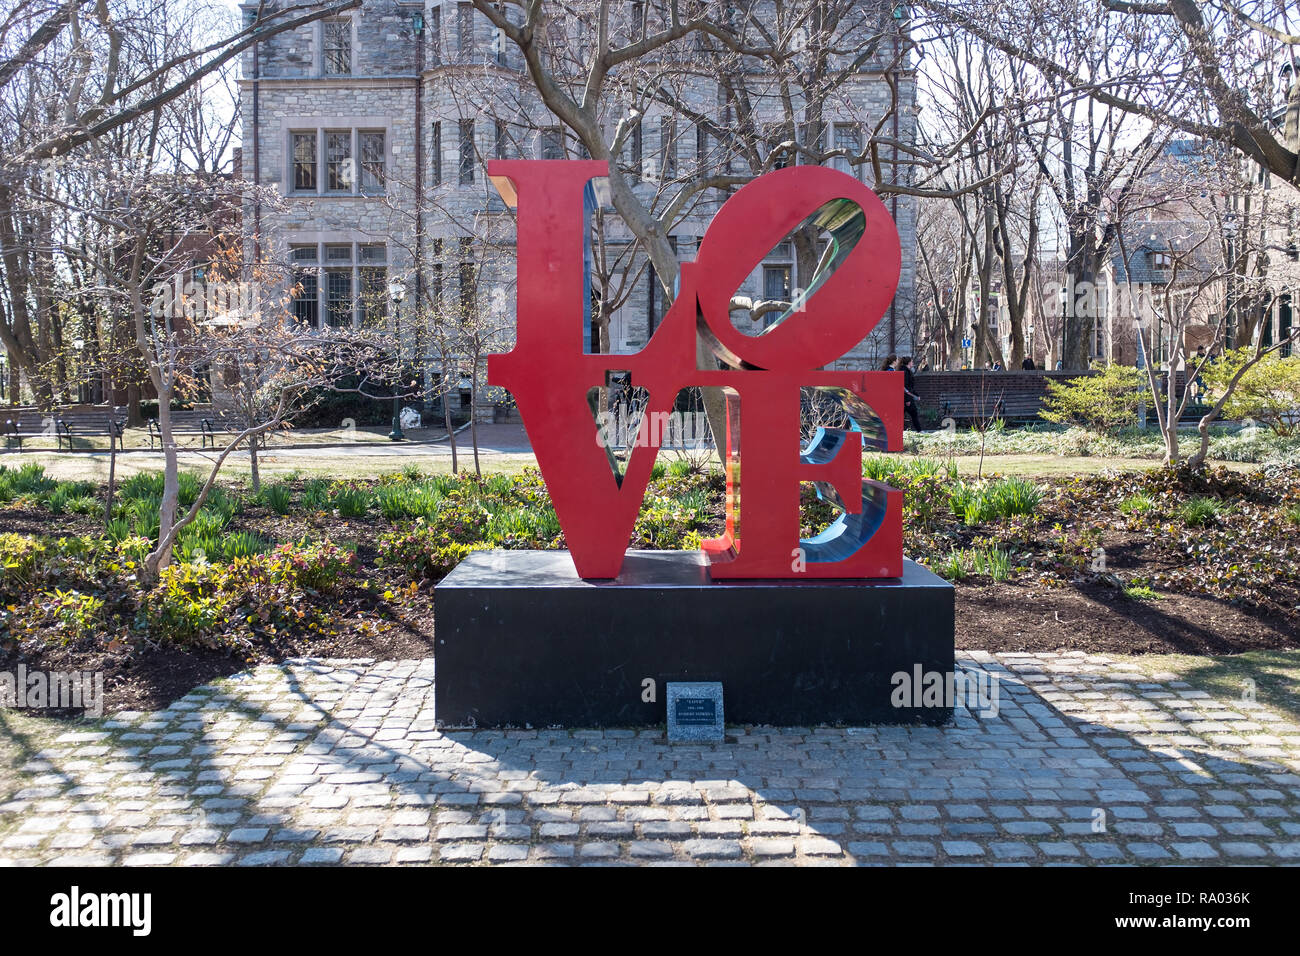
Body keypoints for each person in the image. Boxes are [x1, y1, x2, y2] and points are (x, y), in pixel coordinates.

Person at [899, 356, 922, 430]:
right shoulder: (905, 372)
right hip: (907, 398)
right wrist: (907, 400)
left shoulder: (906, 371)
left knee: (901, 415)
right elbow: (905, 387)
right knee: (914, 413)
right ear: (908, 363)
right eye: (912, 361)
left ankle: (899, 430)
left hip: (907, 397)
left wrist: (916, 395)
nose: (913, 363)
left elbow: (910, 387)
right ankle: (919, 430)